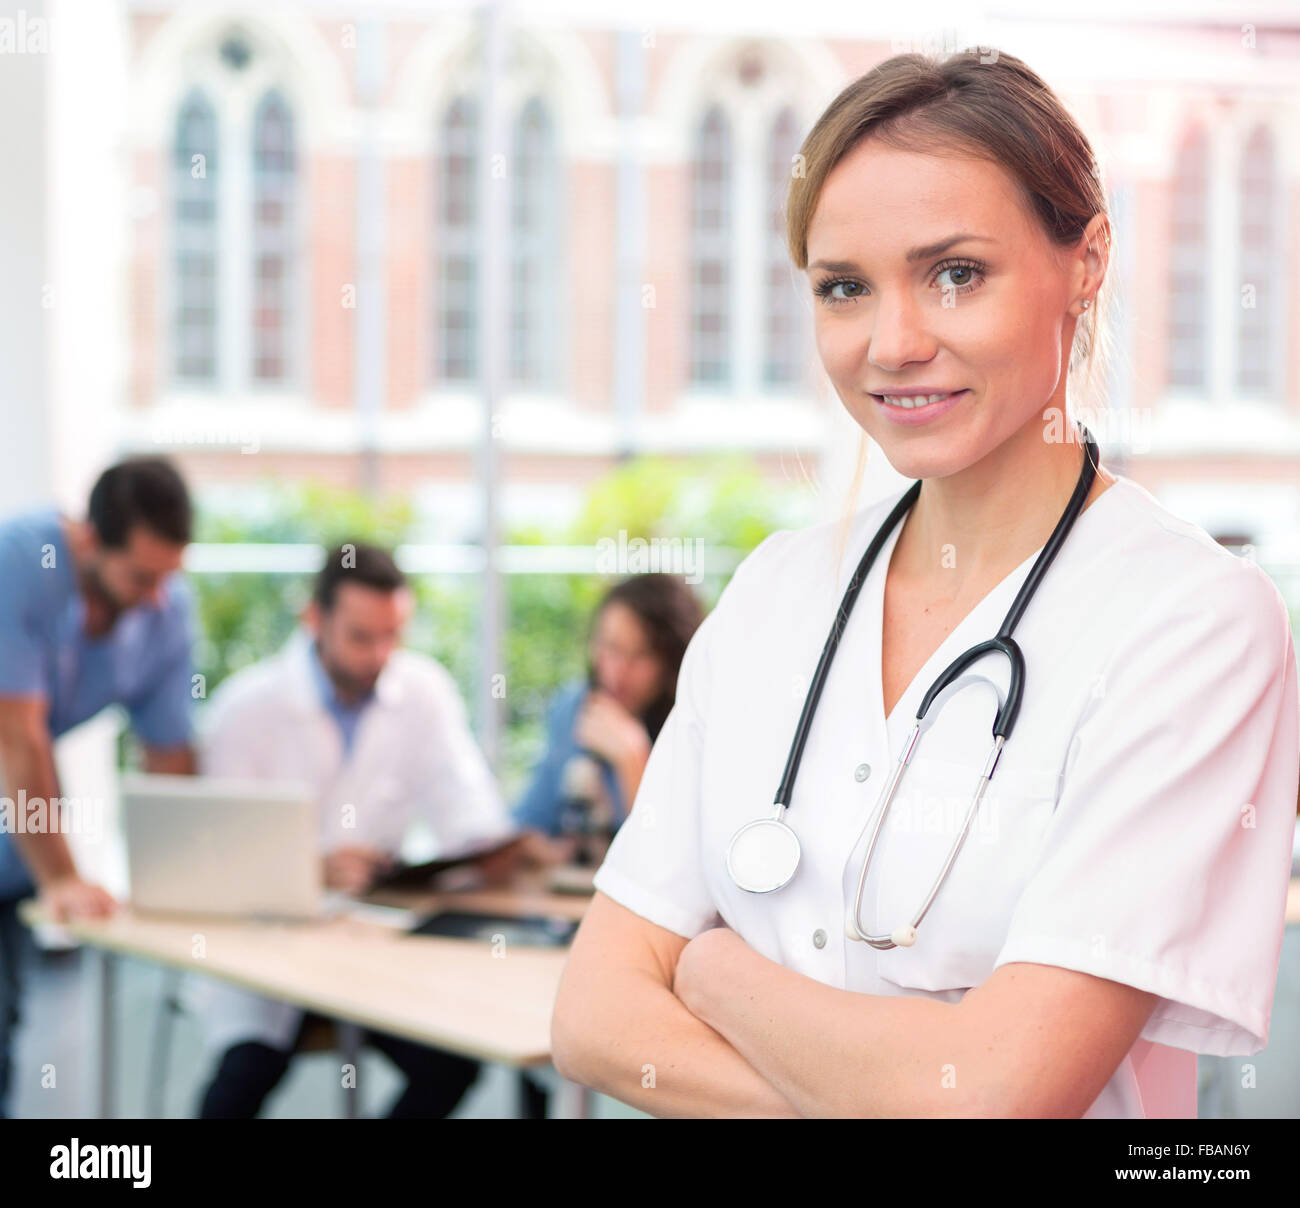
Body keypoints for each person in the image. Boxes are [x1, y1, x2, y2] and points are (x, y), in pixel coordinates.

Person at [550, 48, 1300, 1119]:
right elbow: (590, 1016)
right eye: (844, 288)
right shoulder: (774, 595)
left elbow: (1000, 1091)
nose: (893, 344)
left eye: (955, 272)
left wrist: (714, 972)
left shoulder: (1192, 623)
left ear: (1085, 261)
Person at [187, 542, 526, 1119]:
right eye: (361, 637)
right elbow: (208, 864)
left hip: (372, 948)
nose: (379, 656)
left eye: (393, 636)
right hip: (266, 949)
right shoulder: (244, 711)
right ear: (314, 619)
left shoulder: (423, 693)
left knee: (452, 1067)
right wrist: (311, 868)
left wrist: (488, 849)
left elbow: (469, 814)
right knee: (246, 1075)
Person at [0, 457, 197, 1118]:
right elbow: (17, 739)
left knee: (5, 1021)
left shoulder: (164, 608)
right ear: (89, 539)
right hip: (14, 787)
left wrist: (173, 883)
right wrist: (61, 877)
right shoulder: (21, 563)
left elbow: (169, 754)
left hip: (8, 837)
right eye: (142, 576)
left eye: (169, 576)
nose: (157, 596)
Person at [513, 574, 705, 861]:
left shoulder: (693, 721)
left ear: (672, 662)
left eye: (640, 656)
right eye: (610, 648)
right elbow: (526, 825)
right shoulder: (575, 708)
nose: (617, 673)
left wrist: (632, 758)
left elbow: (671, 861)